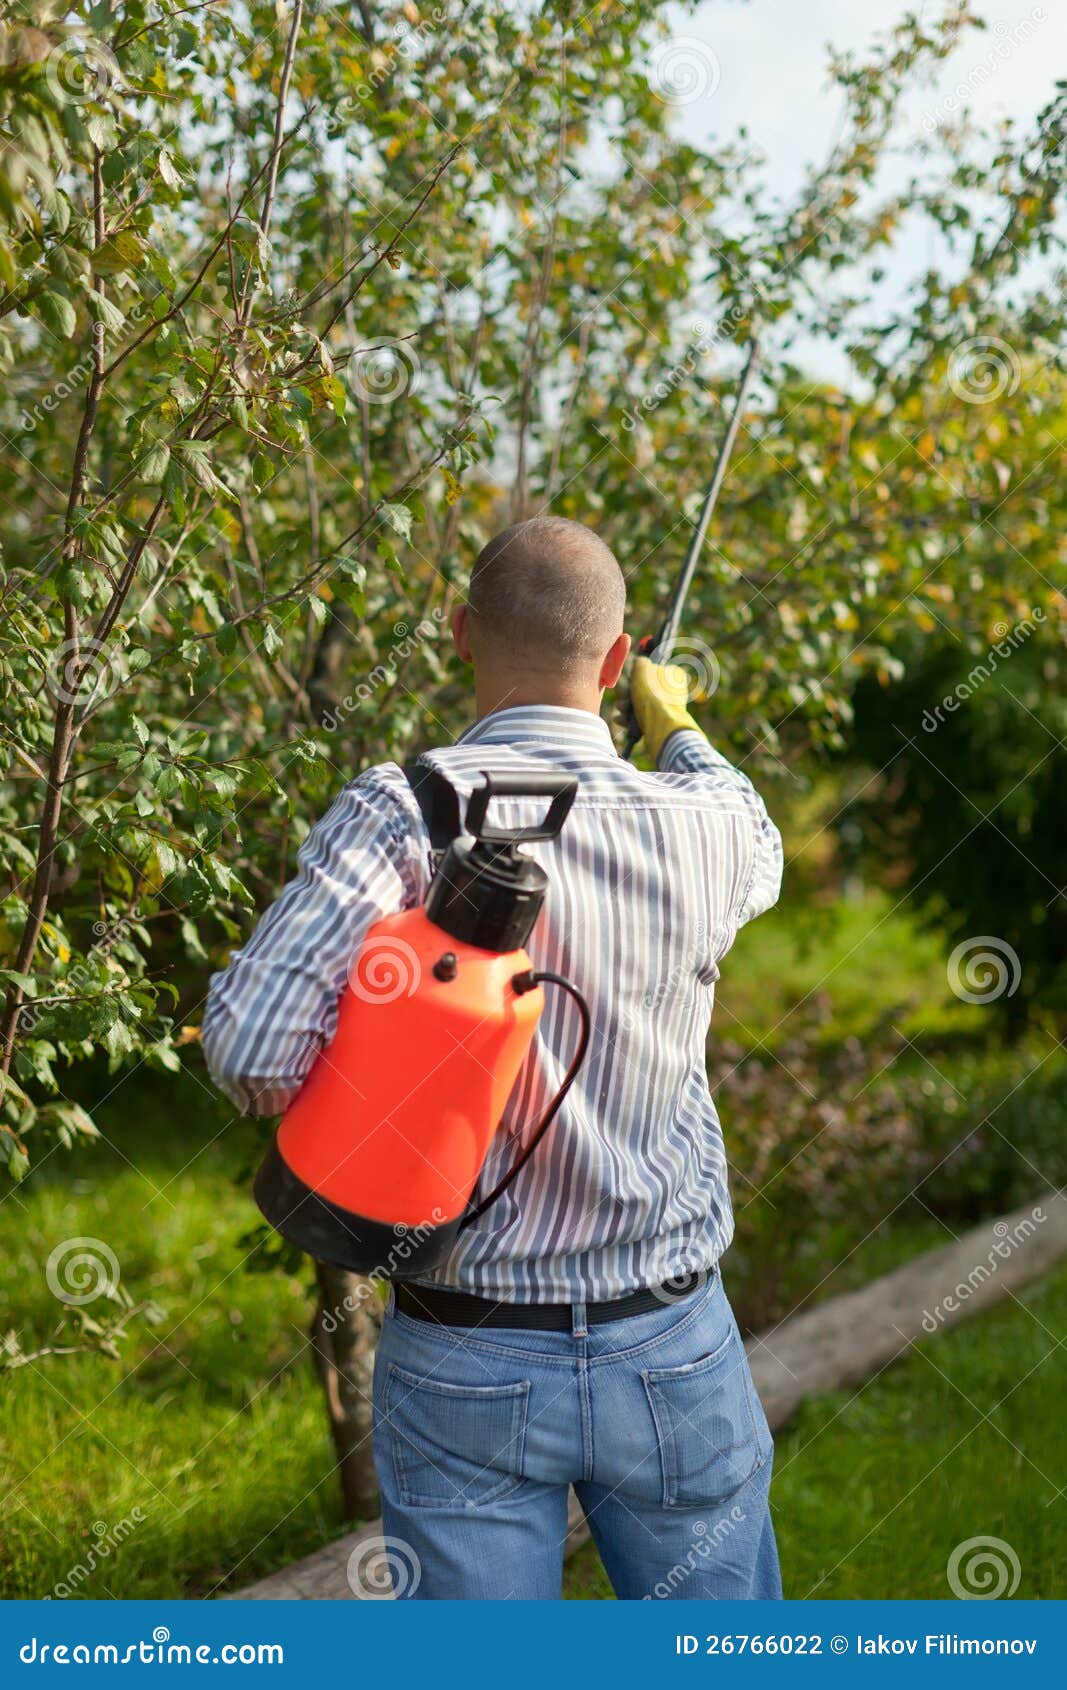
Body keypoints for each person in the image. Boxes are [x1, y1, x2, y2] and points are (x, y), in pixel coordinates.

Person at [203, 513, 784, 1601]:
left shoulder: (404, 812)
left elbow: (249, 1050)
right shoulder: (701, 827)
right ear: (617, 663)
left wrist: (409, 1048)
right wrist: (677, 726)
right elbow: (756, 830)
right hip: (672, 1345)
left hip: (462, 1351)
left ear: (459, 631)